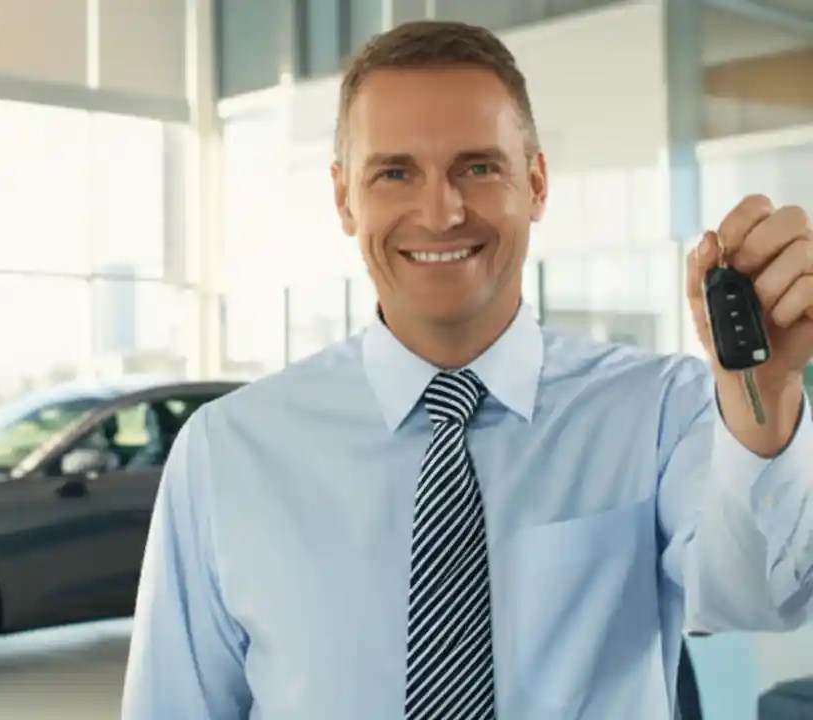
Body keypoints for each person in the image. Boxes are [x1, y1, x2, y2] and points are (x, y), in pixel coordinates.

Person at [121, 20, 813, 720]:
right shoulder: (227, 452)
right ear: (343, 198)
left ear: (536, 183)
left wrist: (768, 391)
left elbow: (761, 595)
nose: (441, 212)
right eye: (395, 173)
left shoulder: (663, 409)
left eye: (478, 168)